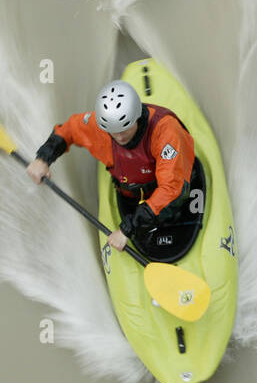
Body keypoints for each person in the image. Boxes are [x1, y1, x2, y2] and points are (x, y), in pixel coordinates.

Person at [27, 80, 197, 254]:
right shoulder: (100, 125)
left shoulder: (165, 131)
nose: (120, 137)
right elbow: (67, 130)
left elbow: (173, 189)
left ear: (136, 116)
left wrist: (128, 229)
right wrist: (43, 159)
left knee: (173, 196)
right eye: (113, 131)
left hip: (172, 199)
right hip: (132, 196)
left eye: (125, 129)